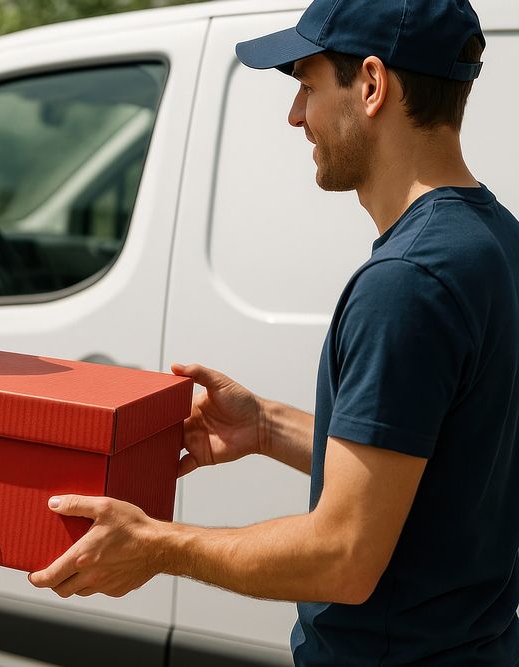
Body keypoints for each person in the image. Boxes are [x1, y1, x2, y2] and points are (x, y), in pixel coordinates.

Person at [29, 0, 519, 663]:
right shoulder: (495, 243)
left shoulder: (407, 282)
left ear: (372, 85)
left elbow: (342, 556)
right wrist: (266, 426)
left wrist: (157, 545)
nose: (295, 115)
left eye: (308, 84)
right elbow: (442, 468)